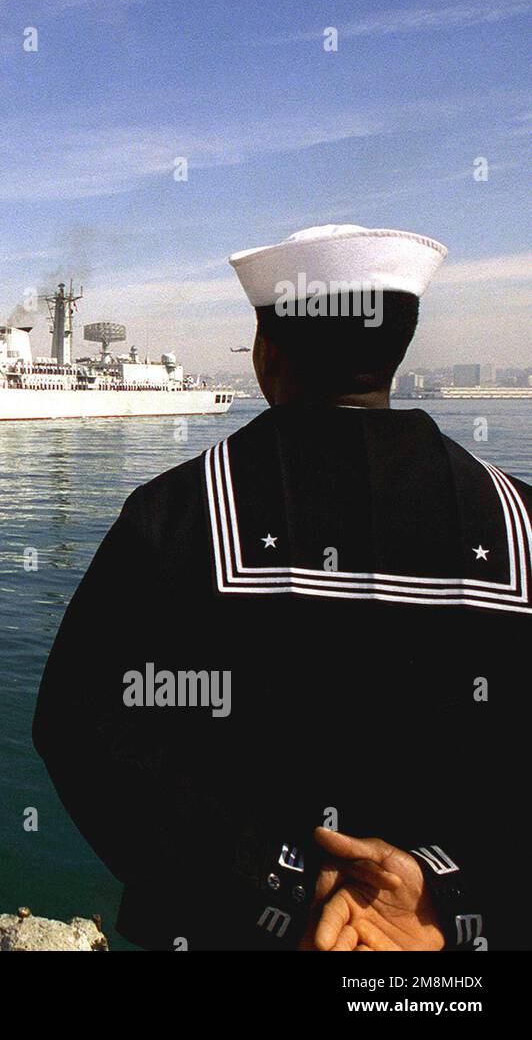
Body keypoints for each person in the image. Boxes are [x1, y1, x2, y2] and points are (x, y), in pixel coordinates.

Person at [34, 225, 529, 951]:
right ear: (397, 348)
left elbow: (77, 722)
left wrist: (278, 884)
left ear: (267, 352)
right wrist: (447, 893)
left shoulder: (175, 514)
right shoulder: (518, 521)